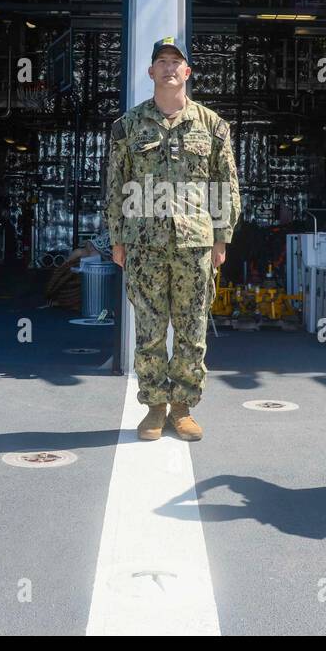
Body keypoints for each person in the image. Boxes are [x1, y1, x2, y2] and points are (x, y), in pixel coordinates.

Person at [106, 37, 241, 442]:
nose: (168, 68)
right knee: (149, 329)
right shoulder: (128, 126)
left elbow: (225, 184)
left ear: (188, 72)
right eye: (161, 62)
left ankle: (182, 408)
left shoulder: (212, 125)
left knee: (191, 328)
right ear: (150, 72)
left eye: (176, 62)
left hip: (195, 245)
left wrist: (222, 238)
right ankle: (153, 408)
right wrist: (118, 238)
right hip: (144, 245)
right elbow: (117, 185)